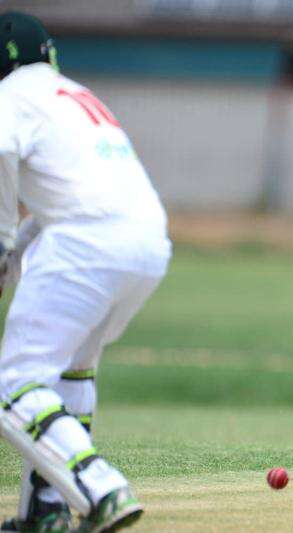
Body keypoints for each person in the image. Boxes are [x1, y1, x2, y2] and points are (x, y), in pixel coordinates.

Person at [0, 11, 171, 532]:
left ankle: (102, 489)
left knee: (13, 387)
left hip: (86, 245)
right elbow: (71, 196)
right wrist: (15, 249)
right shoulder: (73, 95)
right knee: (71, 369)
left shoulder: (11, 97)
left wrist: (3, 239)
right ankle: (42, 511)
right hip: (146, 244)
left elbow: (1, 151)